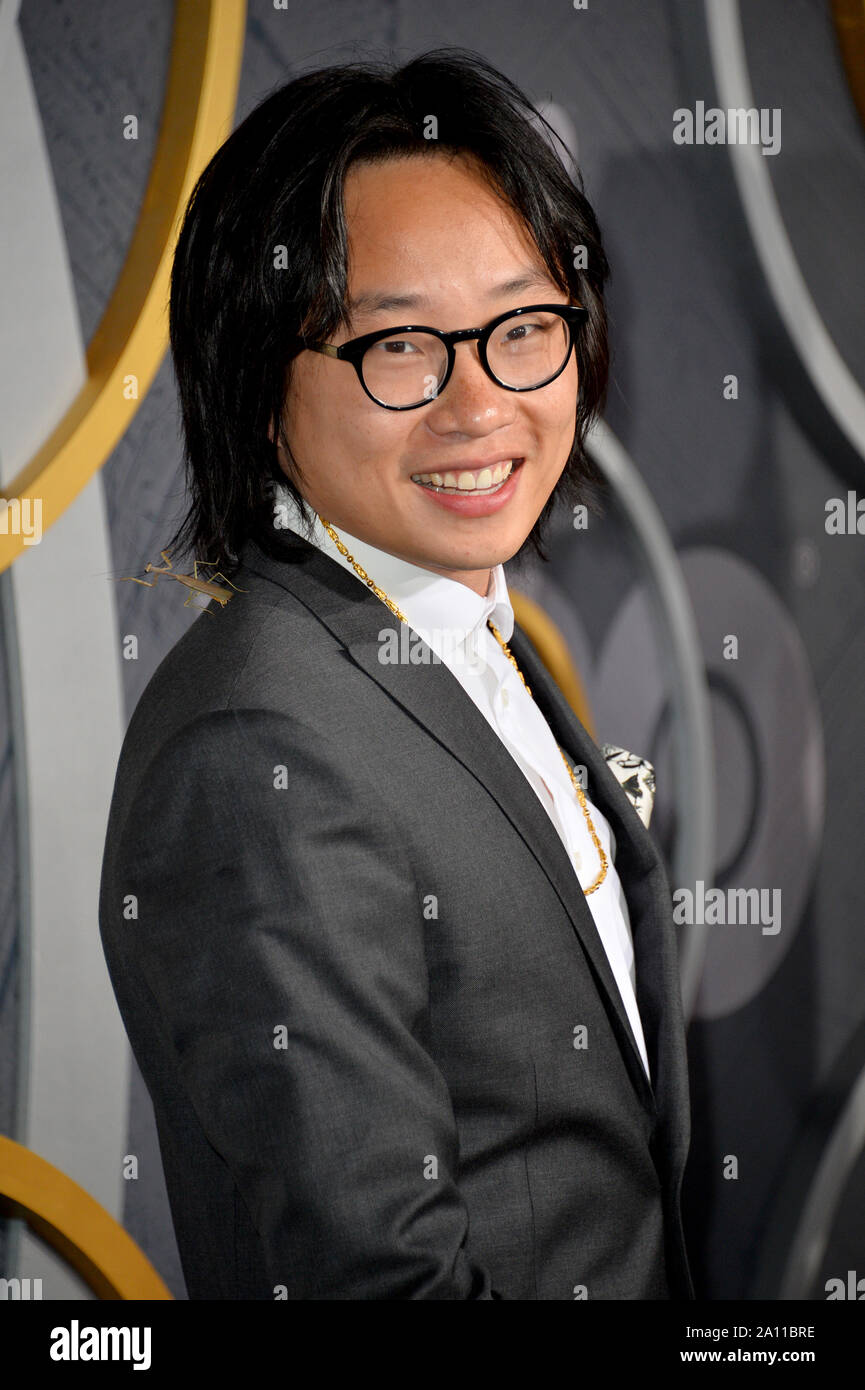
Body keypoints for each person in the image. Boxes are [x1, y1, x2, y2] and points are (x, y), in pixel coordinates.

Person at [98, 47, 694, 1300]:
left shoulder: (454, 625)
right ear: (261, 381)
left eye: (524, 327)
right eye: (401, 348)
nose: (478, 403)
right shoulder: (263, 750)